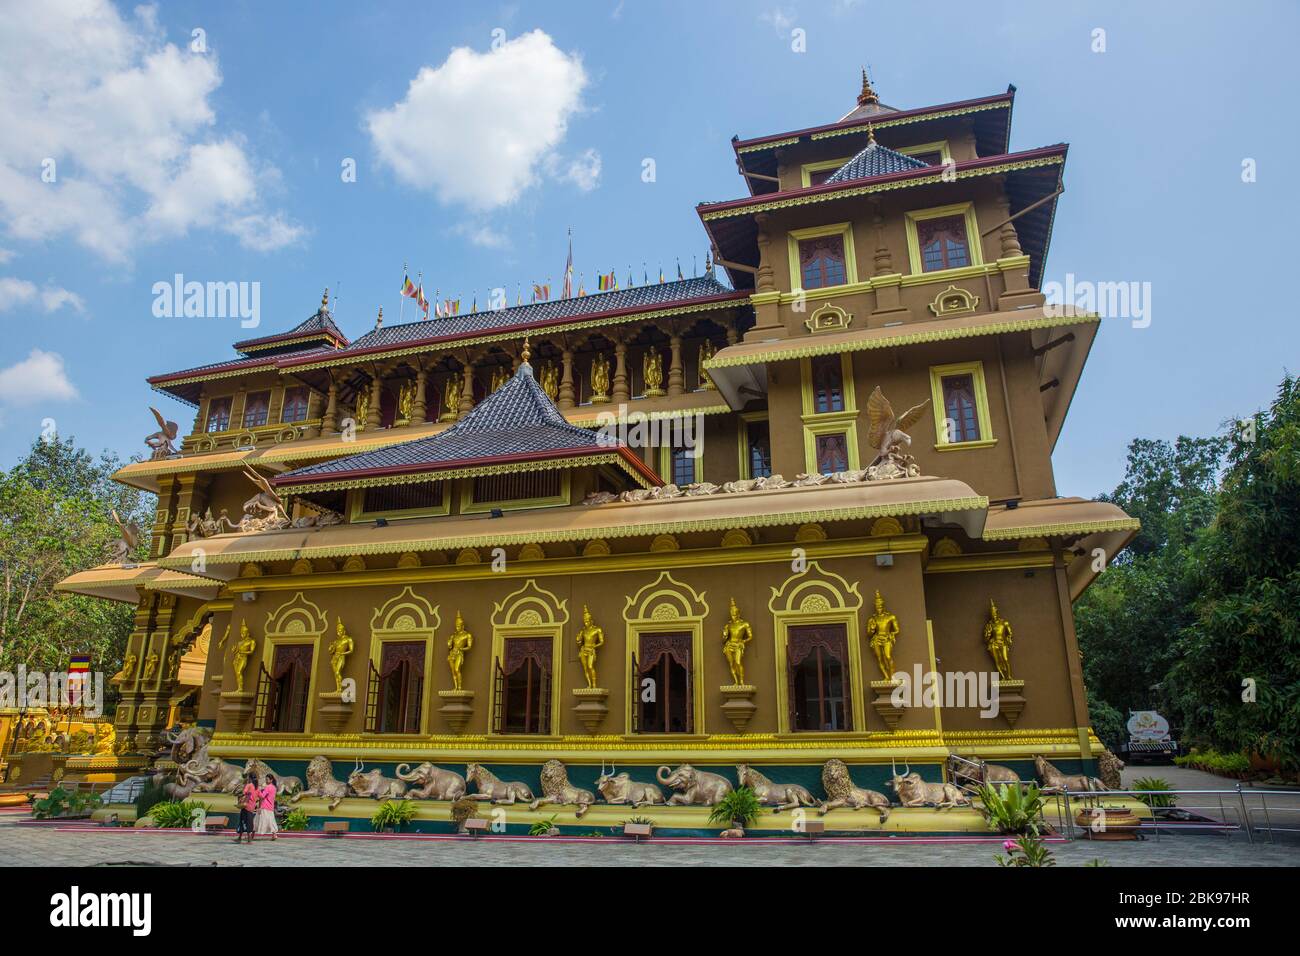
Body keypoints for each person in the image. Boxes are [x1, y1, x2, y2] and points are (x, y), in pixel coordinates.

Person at [236, 771, 259, 844]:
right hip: (252, 807)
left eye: (248, 777)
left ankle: (243, 838)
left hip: (246, 806)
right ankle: (247, 839)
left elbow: (243, 793)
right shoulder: (257, 787)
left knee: (242, 821)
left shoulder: (249, 785)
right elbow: (261, 796)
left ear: (250, 778)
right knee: (249, 822)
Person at [255, 773, 279, 841]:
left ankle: (251, 835)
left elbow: (262, 796)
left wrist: (258, 790)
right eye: (266, 779)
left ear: (271, 780)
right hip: (270, 806)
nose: (266, 780)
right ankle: (274, 834)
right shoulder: (274, 787)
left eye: (267, 779)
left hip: (264, 806)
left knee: (257, 820)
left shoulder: (267, 787)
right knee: (271, 821)